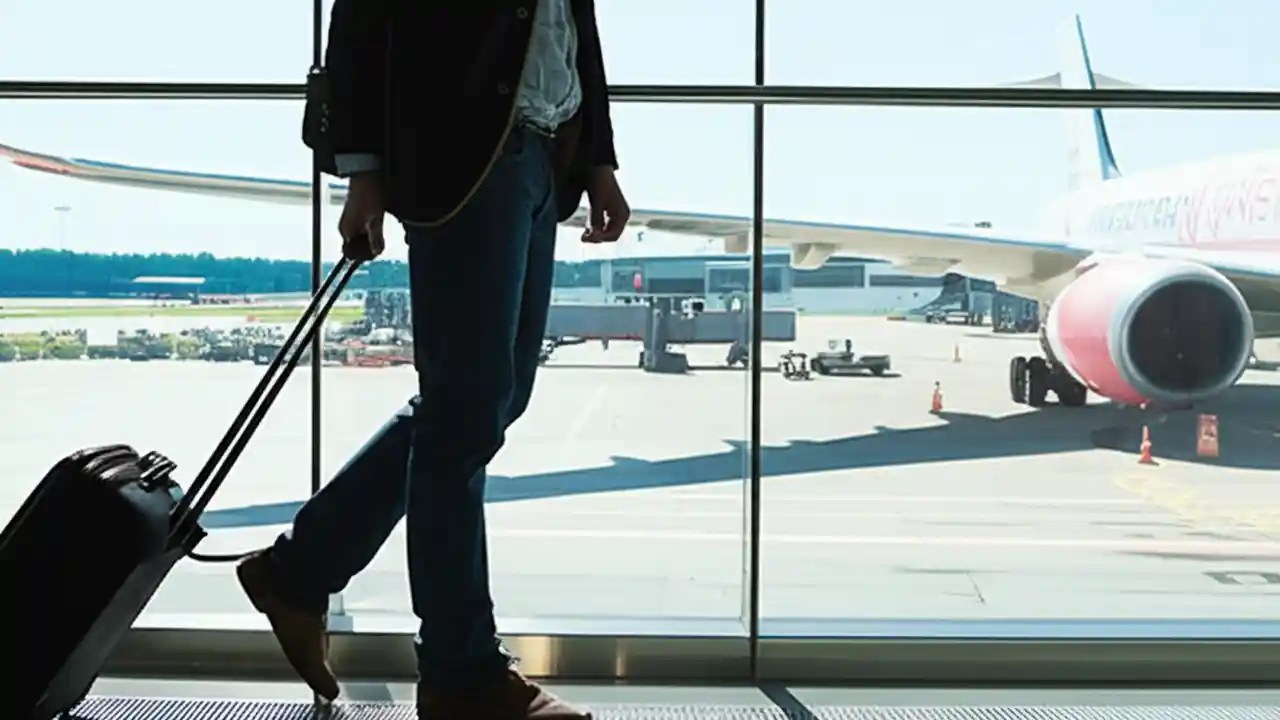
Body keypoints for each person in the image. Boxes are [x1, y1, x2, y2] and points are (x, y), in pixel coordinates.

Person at [234, 1, 629, 717]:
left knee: (485, 401)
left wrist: (598, 160)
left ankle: (300, 570)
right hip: (465, 160)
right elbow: (361, 25)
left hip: (544, 155)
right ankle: (459, 670)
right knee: (464, 415)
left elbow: (575, 32)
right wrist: (363, 176)